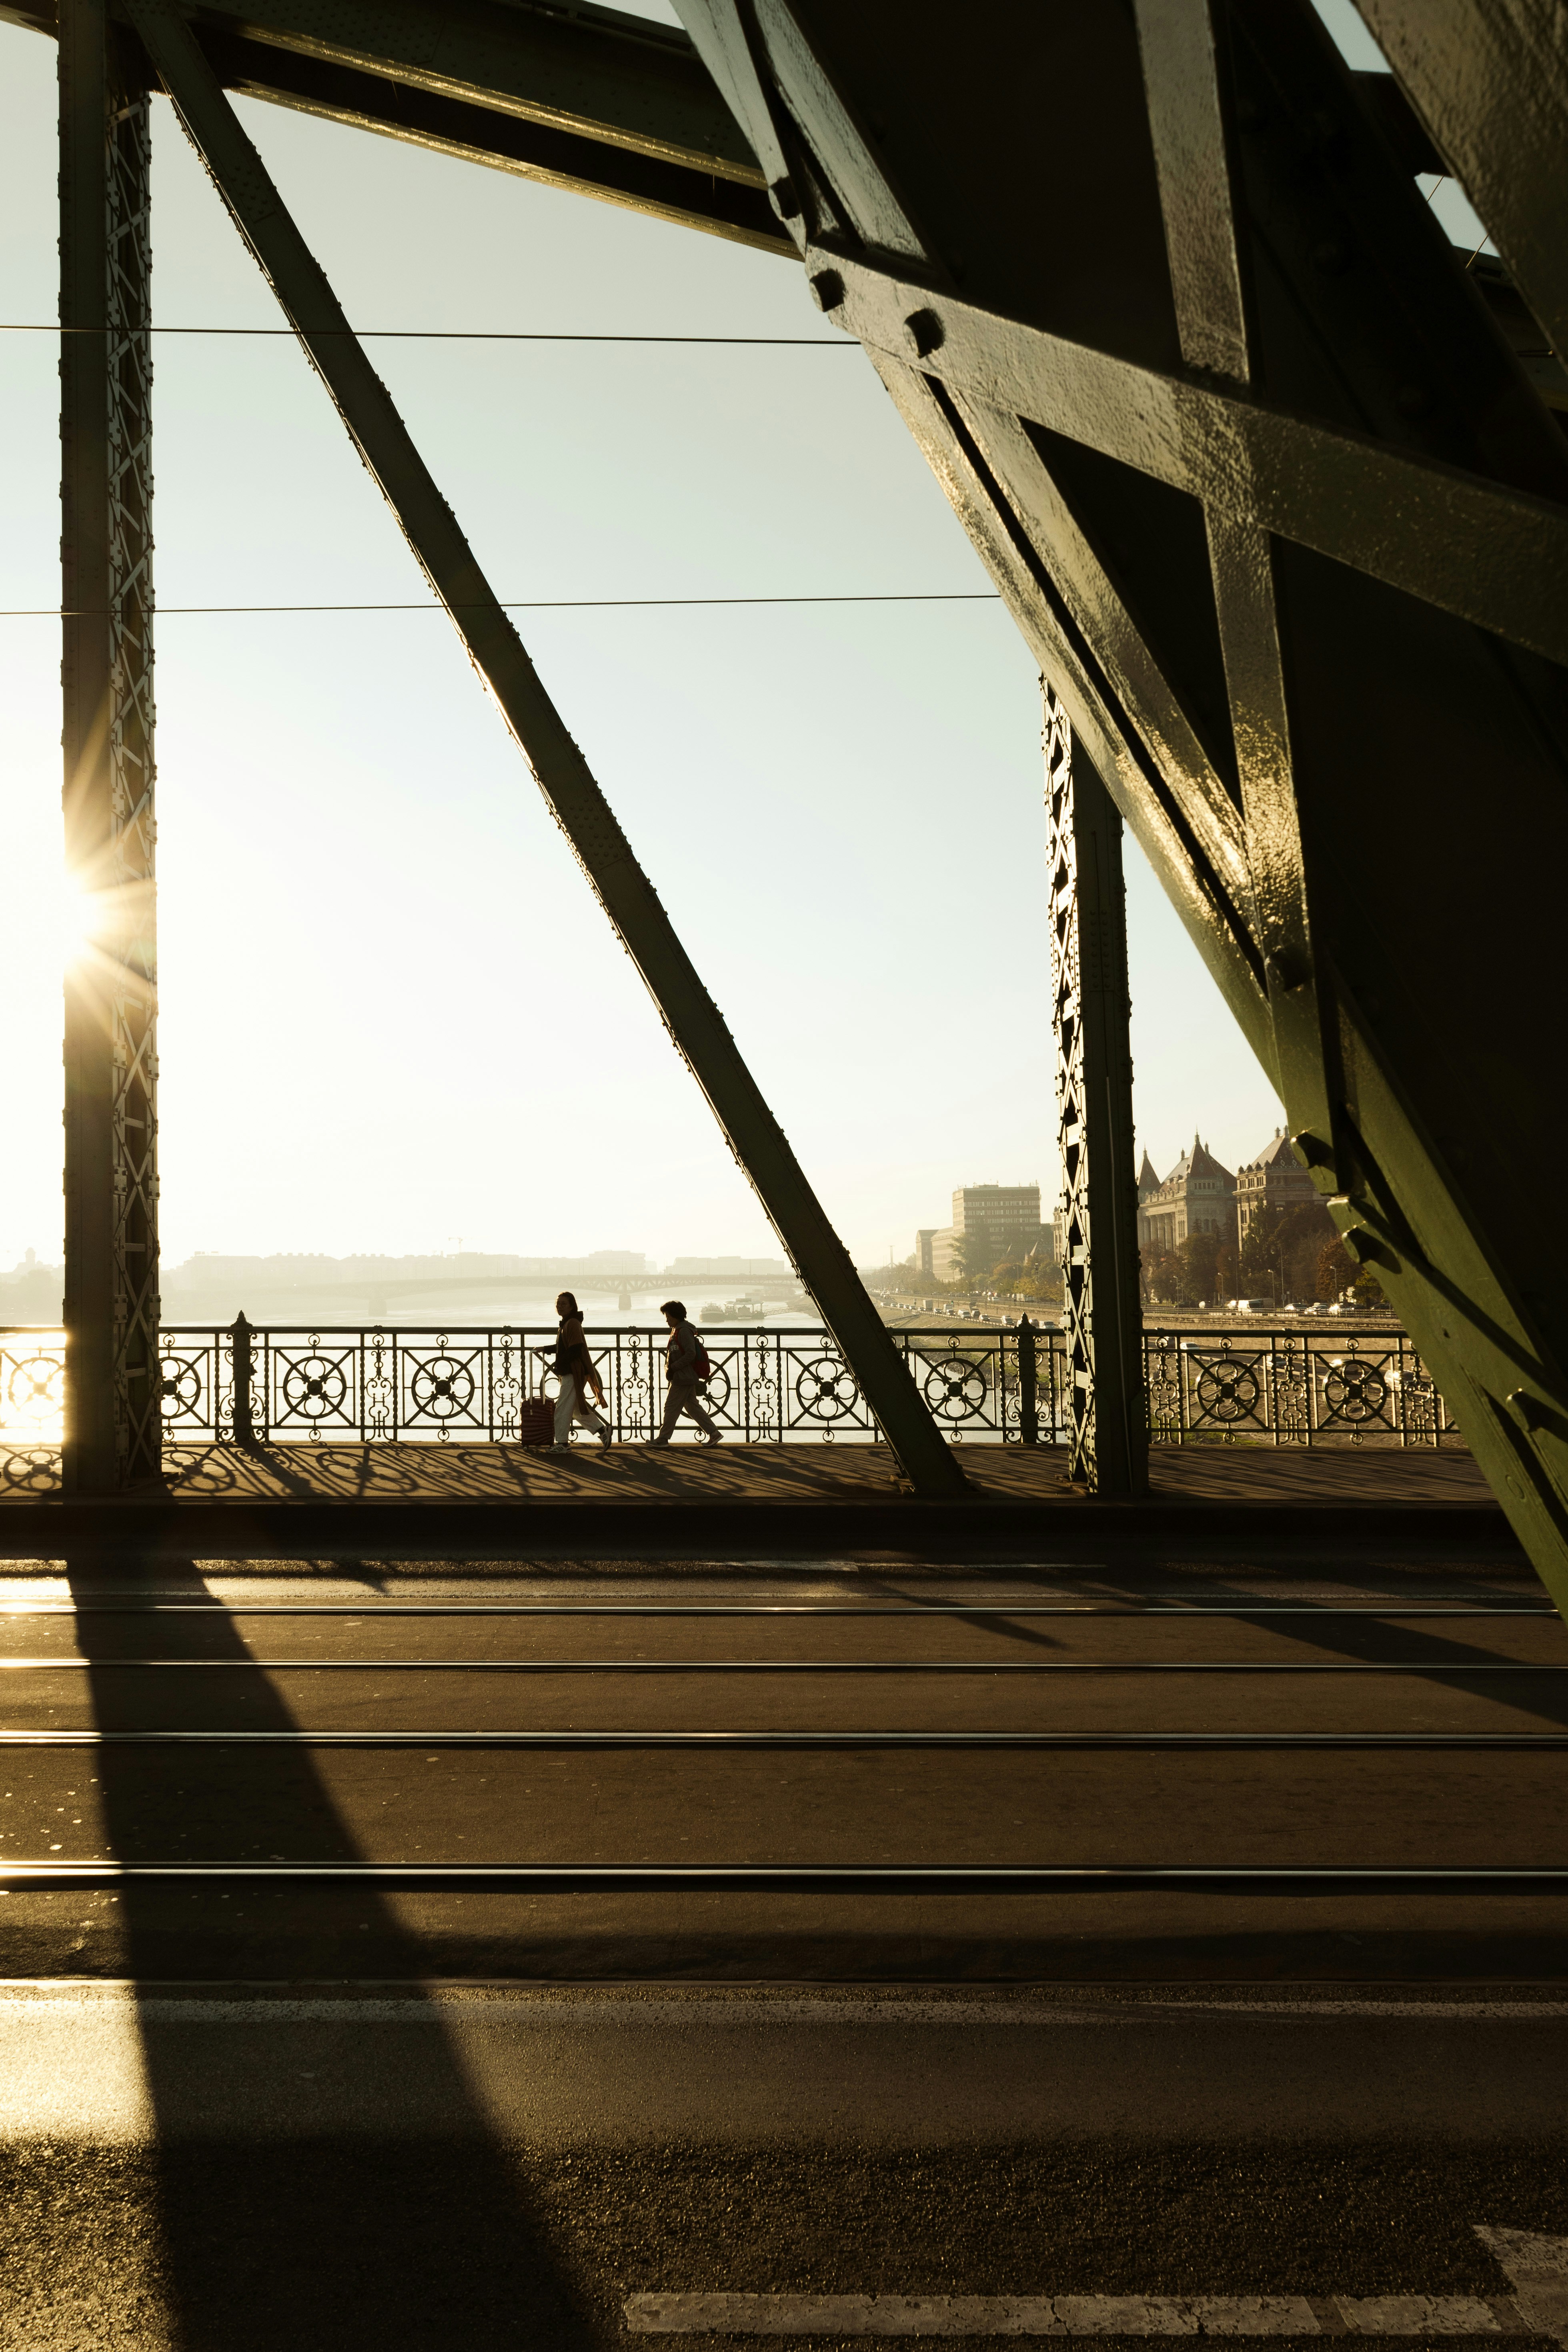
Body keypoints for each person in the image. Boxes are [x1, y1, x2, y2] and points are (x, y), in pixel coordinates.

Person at [652, 1299, 722, 1446]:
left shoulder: (683, 1331)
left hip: (683, 1376)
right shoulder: (678, 1330)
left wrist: (674, 1367)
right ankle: (714, 1433)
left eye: (669, 1317)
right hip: (684, 1375)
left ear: (676, 1316)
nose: (667, 1321)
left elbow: (691, 1354)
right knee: (692, 1407)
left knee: (670, 1407)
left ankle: (663, 1439)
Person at [549, 1291, 611, 1453]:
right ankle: (602, 1431)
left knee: (562, 1409)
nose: (560, 1306)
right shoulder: (567, 1323)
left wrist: (559, 1362)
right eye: (558, 1303)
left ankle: (562, 1444)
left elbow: (575, 1349)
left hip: (572, 1372)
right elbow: (563, 1347)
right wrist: (546, 1349)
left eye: (563, 1304)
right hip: (570, 1371)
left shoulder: (573, 1324)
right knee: (576, 1409)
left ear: (572, 1306)